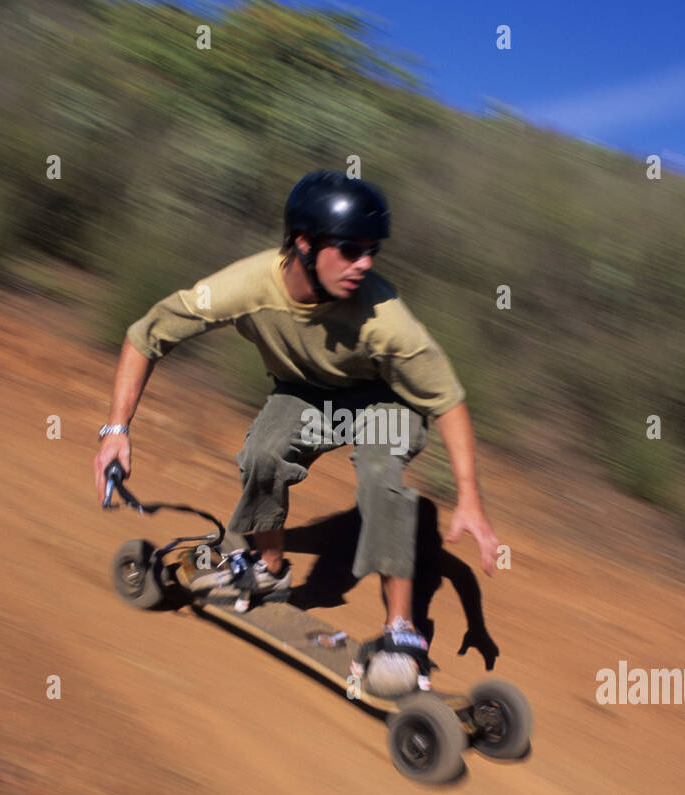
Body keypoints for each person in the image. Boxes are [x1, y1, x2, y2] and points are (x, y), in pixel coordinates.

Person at [92, 170, 497, 687]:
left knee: (379, 474)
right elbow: (148, 335)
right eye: (350, 249)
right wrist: (116, 429)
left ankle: (402, 633)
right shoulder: (245, 287)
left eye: (372, 250)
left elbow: (448, 400)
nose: (364, 264)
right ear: (304, 244)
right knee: (263, 454)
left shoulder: (386, 318)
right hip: (308, 393)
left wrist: (469, 498)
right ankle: (268, 567)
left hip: (385, 400)